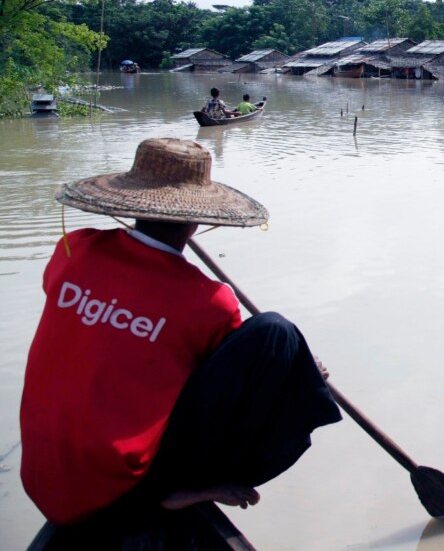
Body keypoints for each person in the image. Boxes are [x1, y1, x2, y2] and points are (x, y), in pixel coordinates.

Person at [20, 137, 342, 527]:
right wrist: (302, 373)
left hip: (41, 477)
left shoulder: (73, 248)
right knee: (277, 335)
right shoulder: (209, 301)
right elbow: (242, 384)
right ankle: (173, 489)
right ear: (197, 221)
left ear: (130, 203)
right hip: (120, 490)